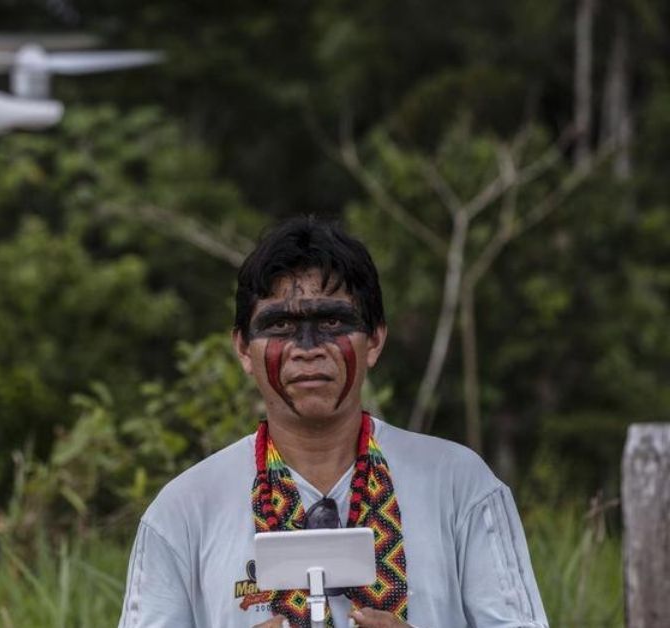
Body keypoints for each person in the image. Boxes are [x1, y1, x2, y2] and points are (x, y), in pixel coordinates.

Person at [117, 216, 548, 628]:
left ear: (375, 340)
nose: (307, 348)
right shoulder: (183, 511)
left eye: (331, 321)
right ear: (244, 349)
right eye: (281, 324)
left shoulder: (460, 486)